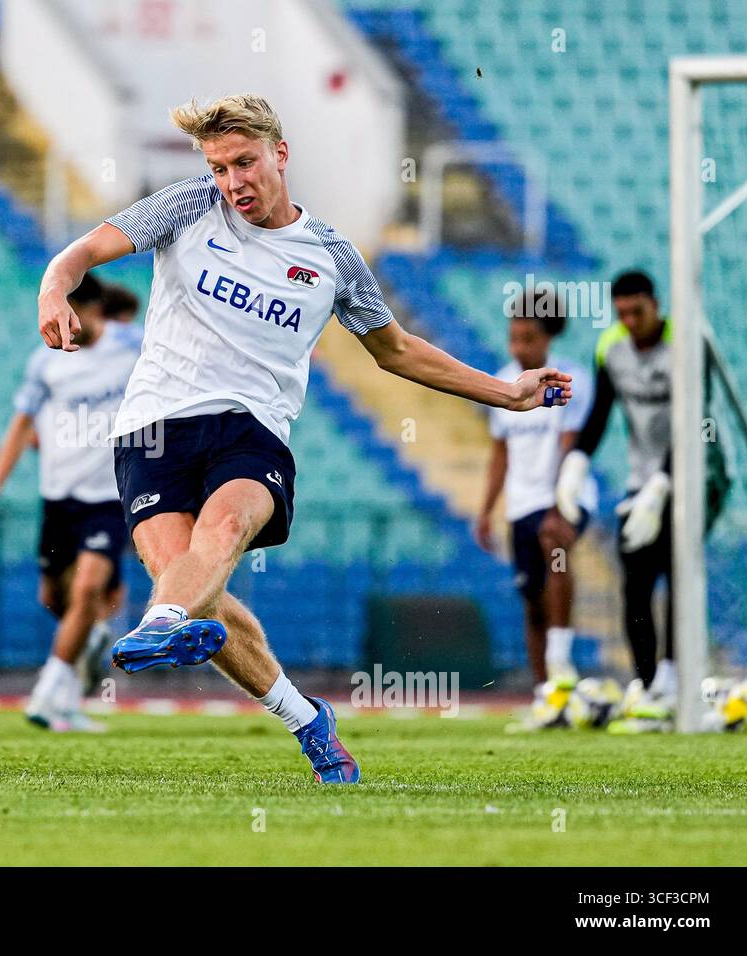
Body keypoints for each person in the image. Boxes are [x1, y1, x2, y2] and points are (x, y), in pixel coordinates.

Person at [35, 94, 572, 782]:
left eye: (245, 164)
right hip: (151, 429)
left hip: (249, 429)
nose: (233, 183)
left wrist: (506, 391)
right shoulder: (187, 206)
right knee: (199, 593)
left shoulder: (330, 257)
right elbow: (82, 253)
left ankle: (162, 620)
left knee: (222, 533)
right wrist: (55, 286)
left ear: (279, 155)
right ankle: (304, 717)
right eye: (221, 167)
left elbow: (398, 350)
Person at [0, 274, 139, 731]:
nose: (57, 325)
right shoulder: (45, 363)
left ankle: (49, 694)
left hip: (108, 497)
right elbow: (21, 423)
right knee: (55, 599)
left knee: (87, 590)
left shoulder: (133, 347)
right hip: (58, 499)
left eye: (65, 316)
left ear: (90, 310)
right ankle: (85, 648)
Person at [555, 270, 675, 730]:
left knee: (680, 570)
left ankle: (675, 681)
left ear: (655, 305)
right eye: (621, 313)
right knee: (636, 582)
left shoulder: (683, 344)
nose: (629, 321)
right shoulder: (612, 348)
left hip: (693, 474)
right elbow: (600, 414)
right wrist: (577, 463)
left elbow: (693, 422)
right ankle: (648, 685)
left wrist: (664, 485)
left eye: (636, 312)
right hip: (639, 480)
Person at [476, 289, 596, 729]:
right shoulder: (502, 384)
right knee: (530, 600)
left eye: (527, 337)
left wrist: (560, 504)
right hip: (521, 503)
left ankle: (562, 663)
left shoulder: (569, 379)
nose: (519, 347)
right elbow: (500, 455)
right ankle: (546, 695)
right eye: (513, 338)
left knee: (554, 541)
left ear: (547, 338)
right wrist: (486, 511)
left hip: (564, 495)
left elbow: (570, 445)